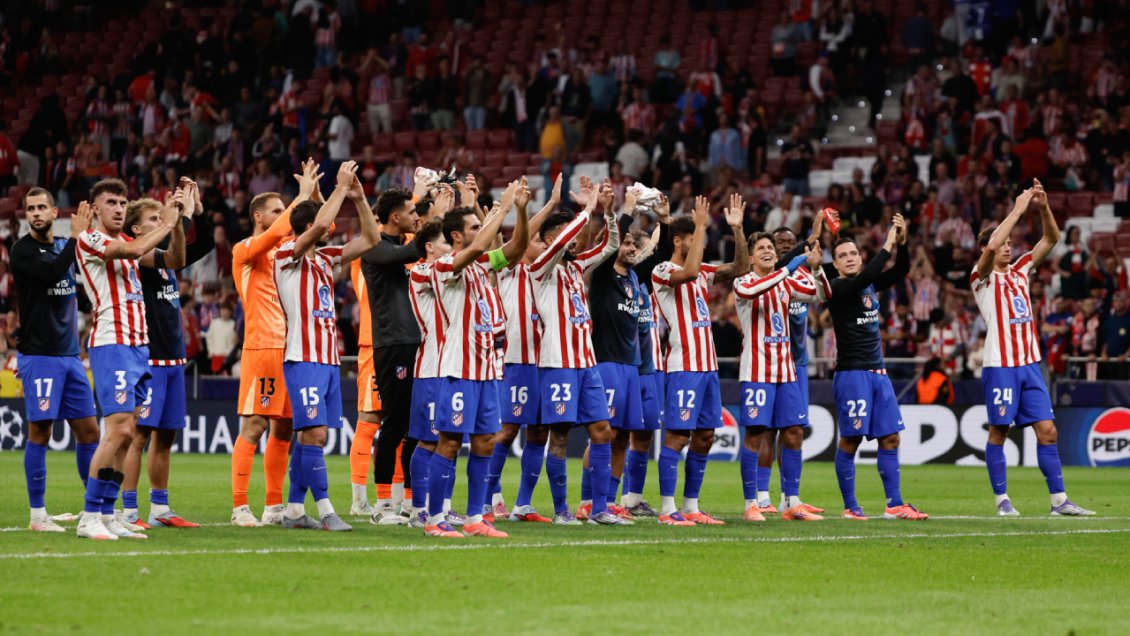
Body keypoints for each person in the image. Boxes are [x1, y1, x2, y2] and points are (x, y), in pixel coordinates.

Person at [972, 181, 1093, 517]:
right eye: (1002, 243)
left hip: (1030, 364)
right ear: (986, 249)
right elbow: (991, 244)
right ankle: (1002, 501)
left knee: (1048, 431)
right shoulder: (981, 277)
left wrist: (1043, 207)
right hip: (1000, 365)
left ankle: (1059, 501)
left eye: (1010, 243)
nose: (1006, 247)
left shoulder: (1022, 269)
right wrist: (1017, 208)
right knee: (999, 431)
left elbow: (1051, 238)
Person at [274, 161, 379, 531]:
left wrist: (360, 198)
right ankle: (326, 509)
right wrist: (339, 188)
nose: (330, 225)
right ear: (307, 227)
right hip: (302, 357)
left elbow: (370, 241)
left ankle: (293, 510)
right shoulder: (286, 253)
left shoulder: (325, 258)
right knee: (316, 435)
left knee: (310, 436)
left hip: (328, 360)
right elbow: (320, 225)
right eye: (322, 222)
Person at [75, 178, 180, 540]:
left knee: (128, 433)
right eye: (111, 203)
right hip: (112, 343)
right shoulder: (90, 239)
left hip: (138, 346)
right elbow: (133, 251)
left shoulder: (128, 243)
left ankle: (108, 513)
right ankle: (89, 515)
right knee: (117, 429)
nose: (119, 209)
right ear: (95, 209)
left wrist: (179, 222)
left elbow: (173, 259)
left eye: (123, 203)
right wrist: (166, 223)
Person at [424, 181, 529, 538]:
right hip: (458, 369)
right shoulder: (445, 267)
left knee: (485, 442)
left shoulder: (483, 266)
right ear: (456, 236)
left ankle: (473, 518)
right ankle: (434, 519)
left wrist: (521, 211)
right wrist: (502, 208)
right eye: (473, 226)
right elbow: (483, 244)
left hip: (488, 371)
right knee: (450, 442)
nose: (480, 230)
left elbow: (517, 248)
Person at [229, 161, 320, 527]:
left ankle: (273, 507)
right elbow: (279, 231)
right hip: (262, 346)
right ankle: (239, 507)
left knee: (284, 428)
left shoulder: (285, 249)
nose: (284, 215)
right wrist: (300, 197)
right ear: (258, 216)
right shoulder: (245, 249)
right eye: (277, 210)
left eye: (285, 209)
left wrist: (313, 196)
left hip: (291, 348)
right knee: (255, 425)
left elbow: (320, 228)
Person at [119, 180, 214, 529]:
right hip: (150, 359)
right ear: (136, 229)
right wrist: (176, 218)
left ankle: (160, 509)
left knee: (167, 436)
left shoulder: (166, 260)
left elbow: (202, 243)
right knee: (139, 435)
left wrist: (196, 211)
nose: (161, 221)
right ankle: (129, 511)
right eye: (153, 218)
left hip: (174, 359)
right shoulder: (135, 255)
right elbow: (168, 244)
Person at [822, 212, 929, 521]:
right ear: (835, 265)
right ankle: (850, 506)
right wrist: (888, 243)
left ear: (860, 257)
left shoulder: (867, 284)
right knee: (851, 439)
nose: (849, 258)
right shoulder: (836, 287)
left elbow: (901, 270)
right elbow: (867, 275)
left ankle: (894, 504)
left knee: (891, 438)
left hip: (878, 373)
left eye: (853, 253)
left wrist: (902, 243)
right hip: (852, 374)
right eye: (843, 255)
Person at [651, 194, 748, 525]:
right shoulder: (663, 271)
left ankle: (691, 506)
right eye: (695, 238)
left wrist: (737, 230)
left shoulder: (702, 272)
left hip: (707, 367)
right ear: (678, 241)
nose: (701, 244)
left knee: (705, 436)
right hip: (684, 367)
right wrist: (703, 224)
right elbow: (690, 270)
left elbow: (741, 269)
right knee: (679, 436)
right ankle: (667, 509)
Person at [531, 178, 623, 526]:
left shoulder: (576, 267)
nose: (571, 241)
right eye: (563, 235)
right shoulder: (540, 268)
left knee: (602, 430)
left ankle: (599, 509)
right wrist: (586, 210)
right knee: (560, 435)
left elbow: (610, 245)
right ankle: (560, 511)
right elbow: (563, 242)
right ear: (549, 240)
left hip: (587, 363)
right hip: (558, 363)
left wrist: (607, 212)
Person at [11, 188, 100, 533]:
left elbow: (78, 275)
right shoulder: (21, 250)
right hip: (40, 355)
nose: (35, 213)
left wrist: (85, 237)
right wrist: (76, 238)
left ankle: (96, 510)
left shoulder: (65, 246)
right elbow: (51, 273)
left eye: (41, 207)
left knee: (89, 431)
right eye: (30, 208)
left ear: (53, 212)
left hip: (70, 354)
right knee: (41, 431)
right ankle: (38, 515)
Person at [734, 228, 826, 523]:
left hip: (786, 370)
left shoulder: (786, 281)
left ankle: (792, 501)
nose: (767, 251)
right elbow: (751, 292)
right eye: (761, 248)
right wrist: (788, 267)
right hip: (757, 371)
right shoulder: (743, 281)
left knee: (794, 432)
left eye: (770, 248)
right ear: (751, 258)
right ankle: (752, 503)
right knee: (756, 434)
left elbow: (820, 294)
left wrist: (816, 269)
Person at [486, 175, 562, 523]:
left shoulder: (547, 272)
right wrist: (540, 206)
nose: (542, 246)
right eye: (537, 241)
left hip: (545, 361)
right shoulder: (508, 266)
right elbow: (522, 236)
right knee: (506, 430)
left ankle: (523, 505)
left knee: (540, 431)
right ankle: (487, 499)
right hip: (515, 359)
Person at [362, 180, 427, 525]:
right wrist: (435, 214)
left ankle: (412, 504)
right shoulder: (374, 246)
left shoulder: (394, 245)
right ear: (395, 216)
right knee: (394, 424)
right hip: (391, 344)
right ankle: (382, 505)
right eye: (412, 211)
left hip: (412, 342)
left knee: (415, 424)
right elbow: (413, 251)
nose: (416, 216)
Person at [405, 219, 451, 528]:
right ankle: (418, 509)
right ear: (430, 247)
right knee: (428, 442)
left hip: (454, 368)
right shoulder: (421, 272)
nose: (452, 247)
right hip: (431, 368)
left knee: (450, 441)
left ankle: (442, 508)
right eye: (446, 242)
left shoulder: (450, 274)